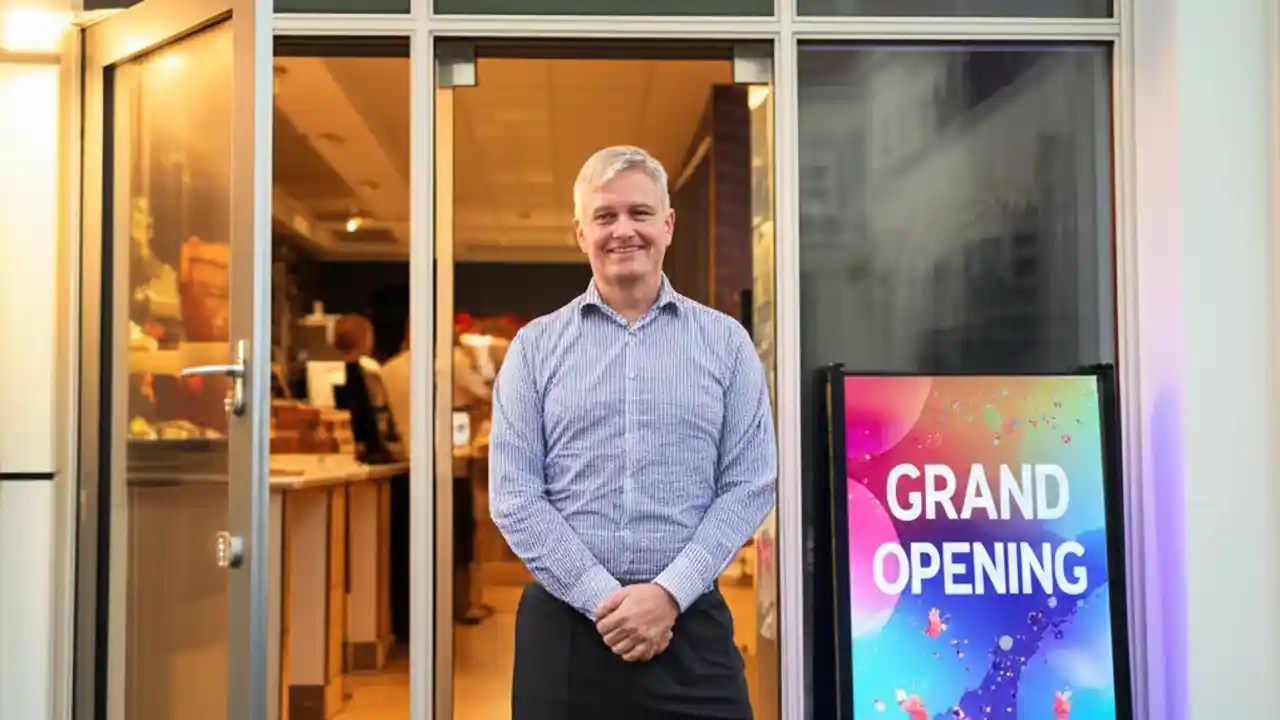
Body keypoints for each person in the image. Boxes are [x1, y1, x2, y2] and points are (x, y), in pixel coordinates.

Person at [488, 145, 777, 720]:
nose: (624, 230)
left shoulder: (726, 344)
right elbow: (515, 496)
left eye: (640, 214)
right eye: (605, 216)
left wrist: (667, 594)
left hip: (689, 627)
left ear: (668, 225)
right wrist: (606, 601)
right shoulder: (535, 349)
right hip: (567, 634)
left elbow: (749, 484)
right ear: (580, 232)